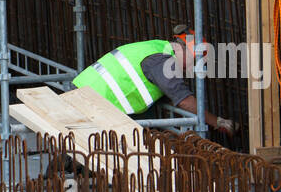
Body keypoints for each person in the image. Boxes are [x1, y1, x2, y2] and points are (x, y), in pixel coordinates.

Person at [71, 26, 237, 135]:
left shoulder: (157, 47)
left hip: (87, 94)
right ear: (183, 49)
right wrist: (218, 122)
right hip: (93, 102)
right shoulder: (163, 61)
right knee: (79, 151)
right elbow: (184, 101)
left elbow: (169, 95)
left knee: (76, 148)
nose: (192, 68)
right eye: (193, 61)